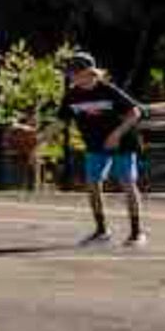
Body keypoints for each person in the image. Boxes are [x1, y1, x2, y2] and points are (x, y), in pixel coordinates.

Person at [58, 52, 148, 247]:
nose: (71, 76)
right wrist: (38, 142)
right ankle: (101, 231)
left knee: (127, 183)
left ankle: (137, 232)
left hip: (122, 143)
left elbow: (136, 112)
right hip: (95, 146)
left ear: (89, 72)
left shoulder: (108, 90)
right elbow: (59, 122)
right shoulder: (72, 96)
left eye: (75, 72)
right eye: (70, 72)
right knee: (92, 185)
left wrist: (116, 135)